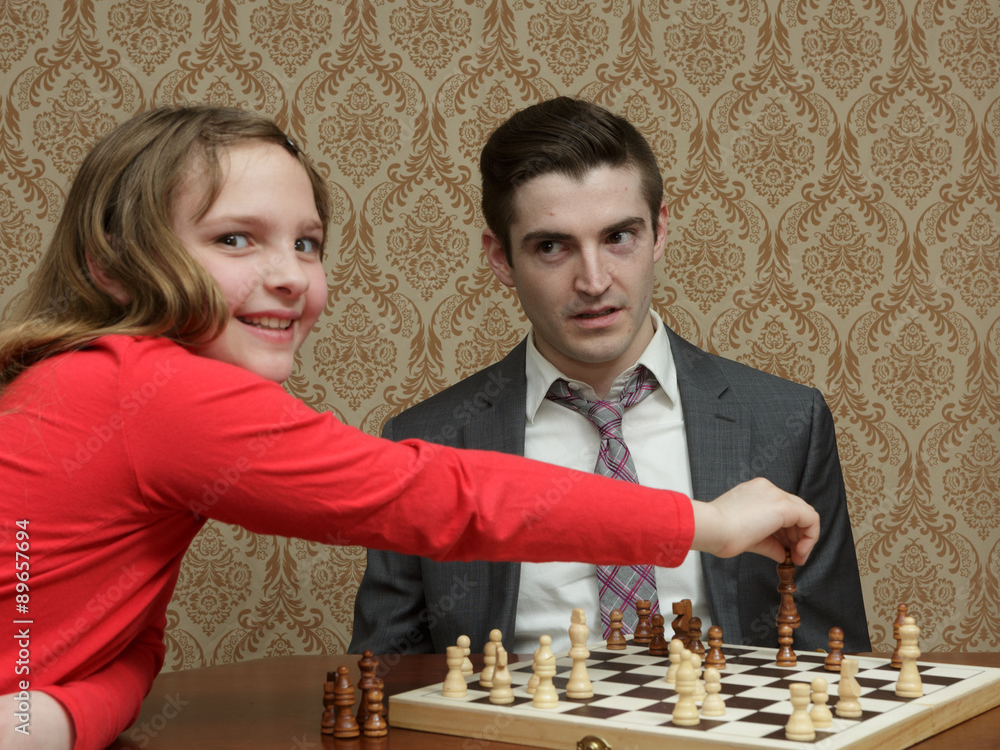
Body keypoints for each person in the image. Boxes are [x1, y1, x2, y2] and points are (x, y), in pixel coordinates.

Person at [0, 105, 820, 750]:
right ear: (112, 263)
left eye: (308, 242)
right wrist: (706, 522)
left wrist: (52, 716)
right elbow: (437, 494)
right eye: (235, 239)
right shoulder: (158, 393)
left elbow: (126, 651)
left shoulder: (98, 387)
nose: (289, 276)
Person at [350, 97, 869, 659]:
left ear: (660, 231)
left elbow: (832, 662)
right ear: (501, 259)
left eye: (619, 237)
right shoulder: (426, 441)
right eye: (552, 247)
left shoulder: (788, 421)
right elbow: (386, 675)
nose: (593, 281)